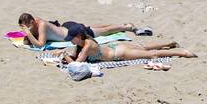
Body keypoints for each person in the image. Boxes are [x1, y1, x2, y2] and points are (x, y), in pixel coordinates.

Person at [61, 27, 195, 65]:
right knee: (144, 47)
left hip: (119, 53)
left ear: (78, 36)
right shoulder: (83, 42)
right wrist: (67, 56)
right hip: (115, 46)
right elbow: (75, 55)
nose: (70, 41)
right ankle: (168, 43)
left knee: (151, 54)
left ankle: (181, 52)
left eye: (71, 38)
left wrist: (66, 57)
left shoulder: (87, 46)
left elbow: (76, 64)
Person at [17, 14, 144, 48]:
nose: (25, 30)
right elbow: (29, 40)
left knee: (103, 31)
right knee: (94, 28)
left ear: (32, 22)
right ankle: (121, 25)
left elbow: (41, 44)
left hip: (71, 33)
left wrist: (28, 34)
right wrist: (28, 34)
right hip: (67, 27)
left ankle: (126, 27)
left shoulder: (42, 25)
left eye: (26, 27)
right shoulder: (35, 22)